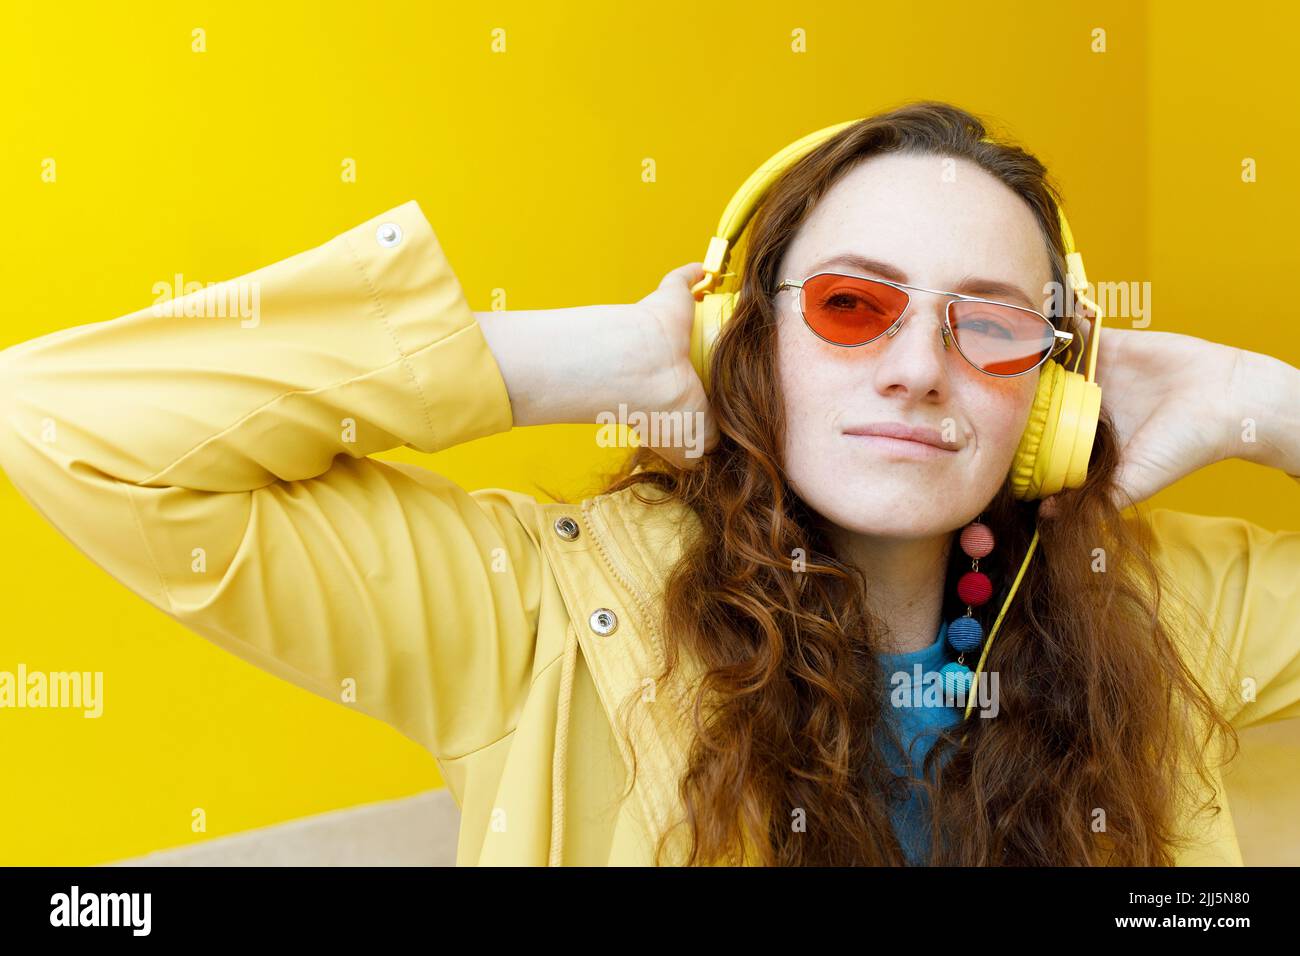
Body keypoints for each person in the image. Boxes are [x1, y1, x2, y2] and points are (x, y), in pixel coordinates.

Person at [1, 101, 1297, 866]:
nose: (919, 368)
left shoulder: (1171, 601)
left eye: (993, 326)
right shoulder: (529, 613)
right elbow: (64, 424)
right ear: (742, 337)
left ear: (1050, 399)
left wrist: (1254, 398)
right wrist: (573, 358)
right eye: (853, 306)